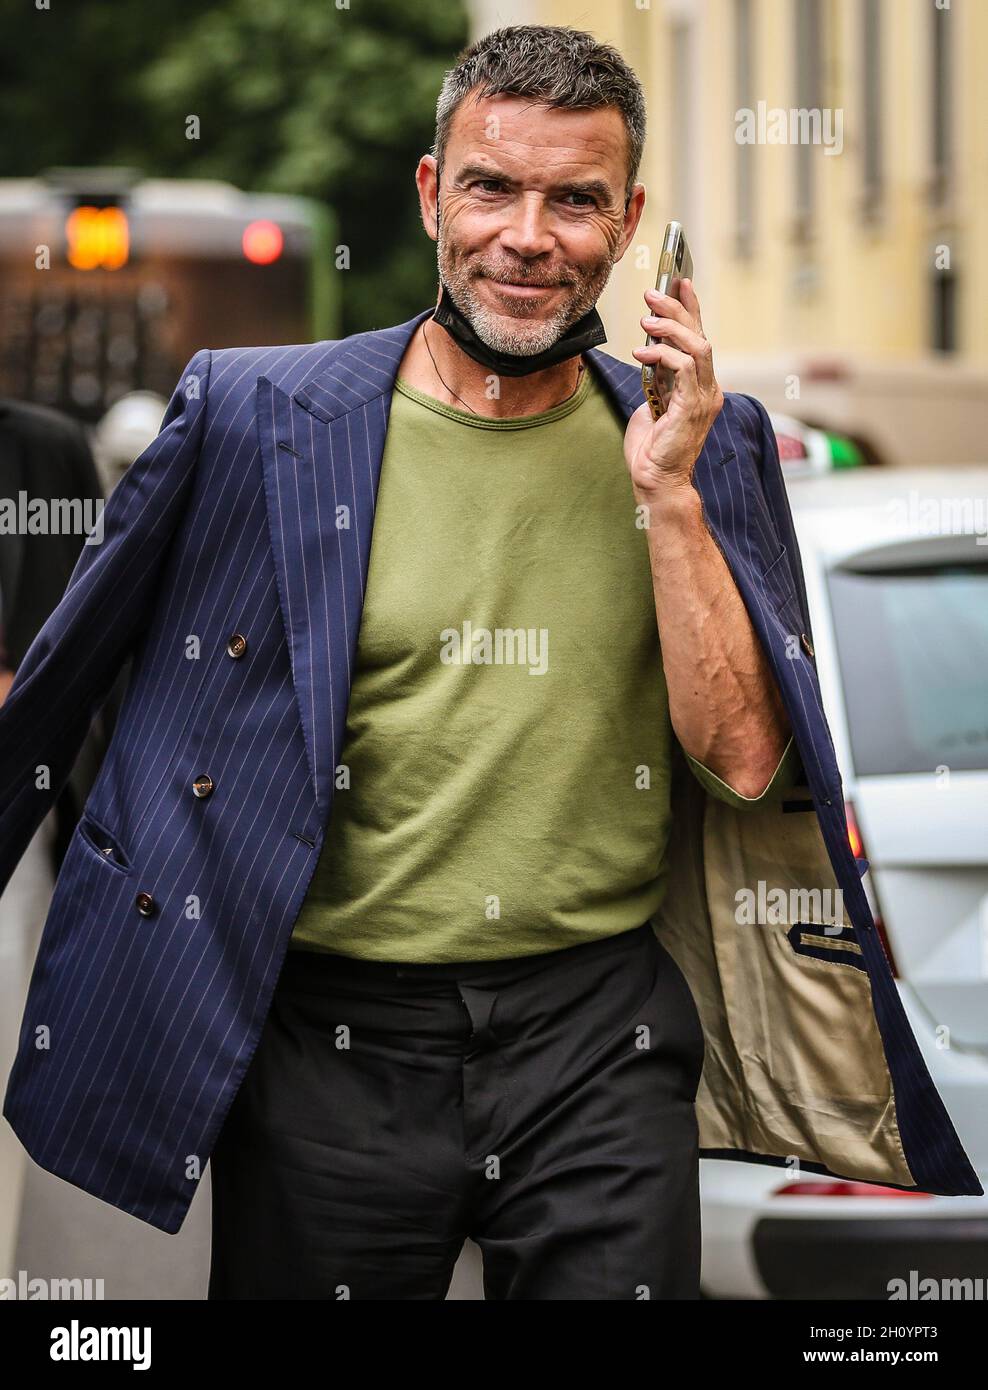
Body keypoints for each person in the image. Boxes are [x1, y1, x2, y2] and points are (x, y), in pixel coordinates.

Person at [0, 24, 979, 1303]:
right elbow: (70, 679)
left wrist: (667, 497)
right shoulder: (255, 416)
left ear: (626, 223)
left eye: (575, 200)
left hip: (599, 1040)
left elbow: (744, 762)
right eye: (492, 187)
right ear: (430, 195)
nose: (530, 236)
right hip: (329, 1043)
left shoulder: (705, 444)